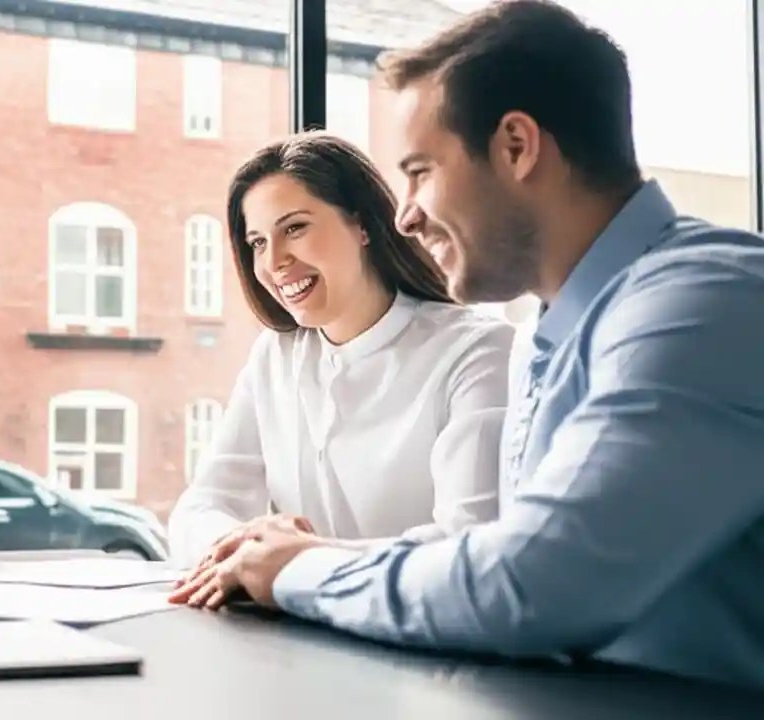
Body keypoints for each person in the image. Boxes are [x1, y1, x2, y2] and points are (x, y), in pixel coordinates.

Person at [185, 0, 764, 690]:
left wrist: (294, 567)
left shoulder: (702, 306)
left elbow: (525, 585)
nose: (405, 213)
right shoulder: (547, 340)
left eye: (421, 171)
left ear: (517, 147)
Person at [167, 132, 515, 597]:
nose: (274, 262)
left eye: (294, 228)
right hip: (297, 641)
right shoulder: (276, 354)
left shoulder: (476, 350)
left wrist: (299, 562)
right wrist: (247, 550)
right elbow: (201, 507)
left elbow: (469, 540)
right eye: (256, 242)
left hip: (425, 646)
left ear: (362, 224)